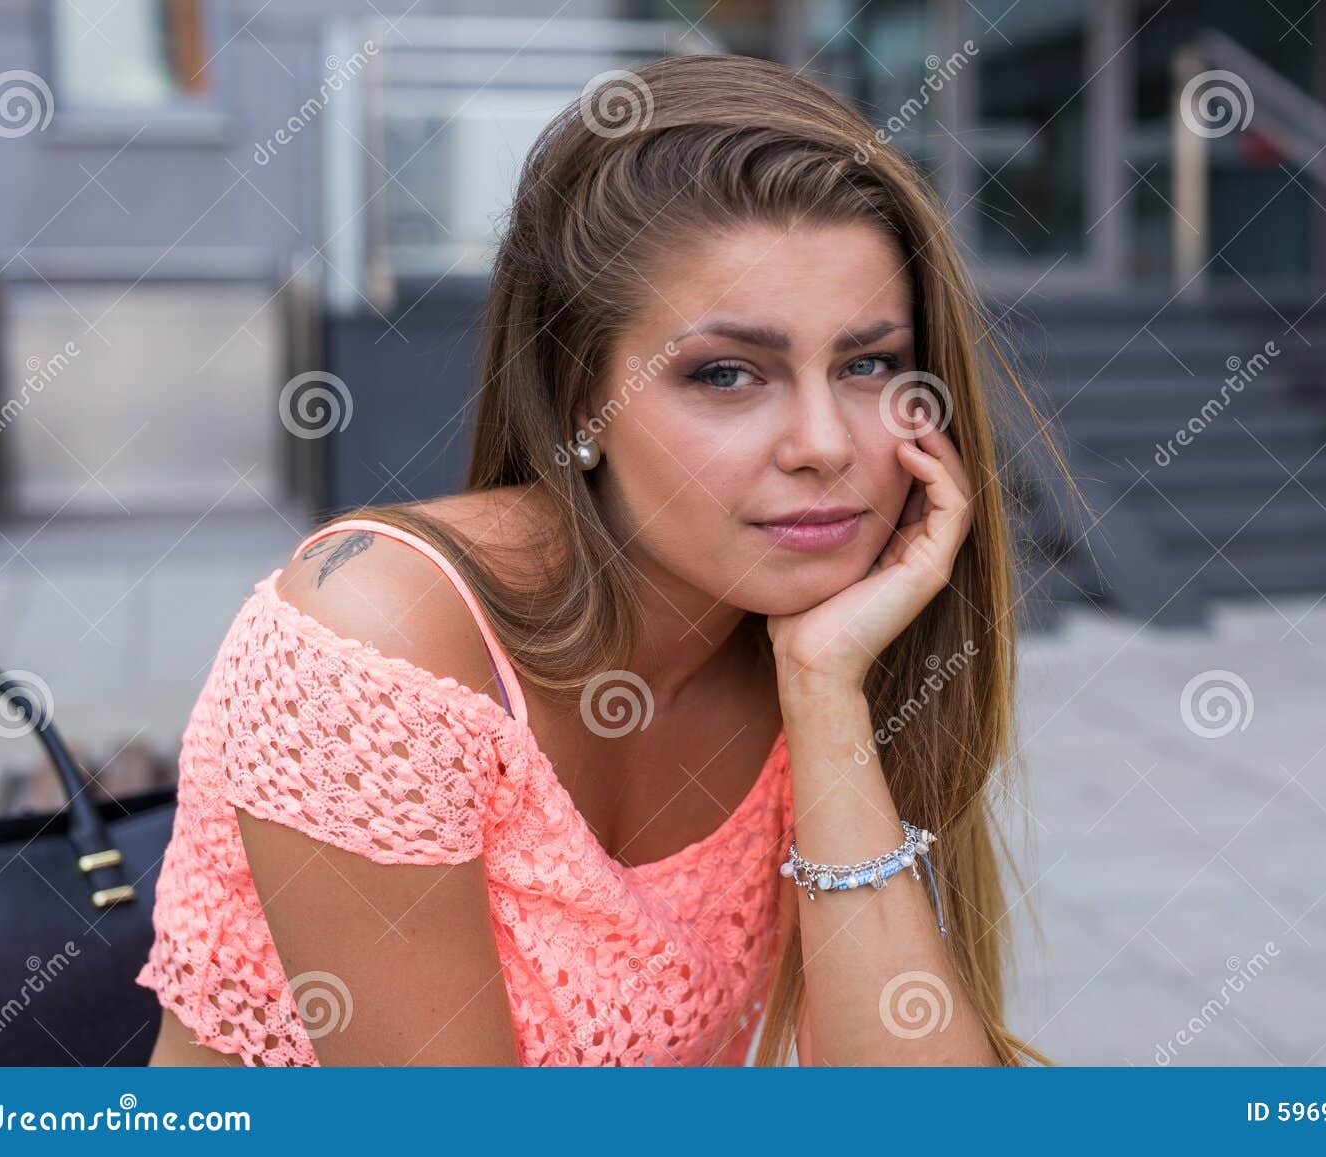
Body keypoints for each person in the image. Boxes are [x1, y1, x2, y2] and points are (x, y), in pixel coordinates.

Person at [137, 52, 1075, 1067]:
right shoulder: (376, 640)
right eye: (727, 374)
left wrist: (824, 689)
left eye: (868, 363)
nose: (825, 442)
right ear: (583, 396)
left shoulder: (799, 638)